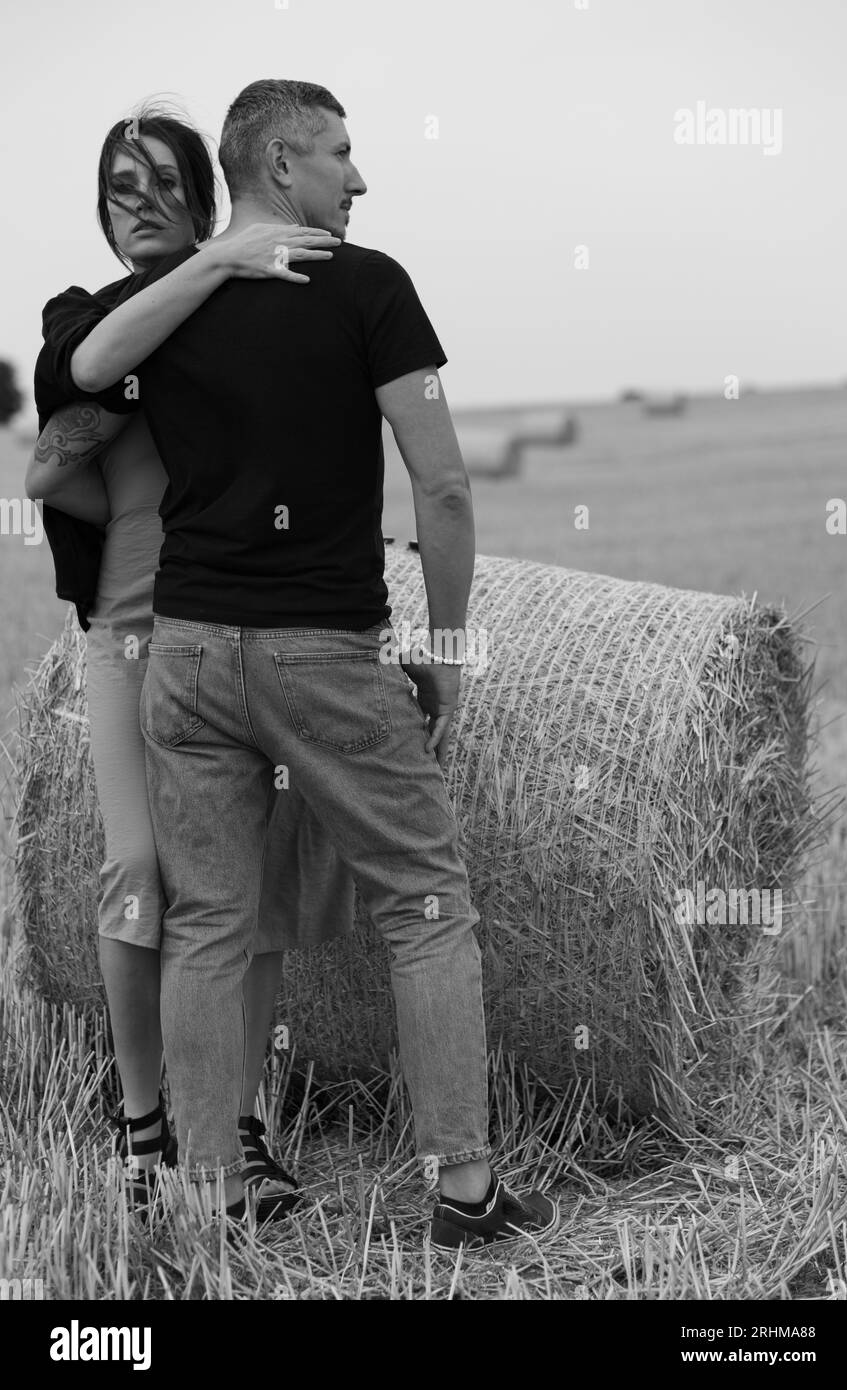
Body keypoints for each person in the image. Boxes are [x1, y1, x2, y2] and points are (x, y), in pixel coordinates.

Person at [37, 79, 559, 1250]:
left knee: (213, 919)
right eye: (338, 154)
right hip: (320, 648)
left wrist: (206, 269)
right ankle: (465, 1189)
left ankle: (212, 1188)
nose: (357, 179)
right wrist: (450, 649)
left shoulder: (165, 309)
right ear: (278, 161)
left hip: (185, 657)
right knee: (426, 903)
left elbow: (80, 373)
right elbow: (445, 487)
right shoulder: (368, 287)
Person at [27, 106, 354, 1220]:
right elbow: (47, 468)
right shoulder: (87, 317)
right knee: (138, 876)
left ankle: (239, 1124)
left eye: (163, 181)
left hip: (241, 634)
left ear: (206, 196)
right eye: (120, 184)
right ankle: (144, 1128)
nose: (139, 203)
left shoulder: (253, 313)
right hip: (130, 641)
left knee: (248, 895)